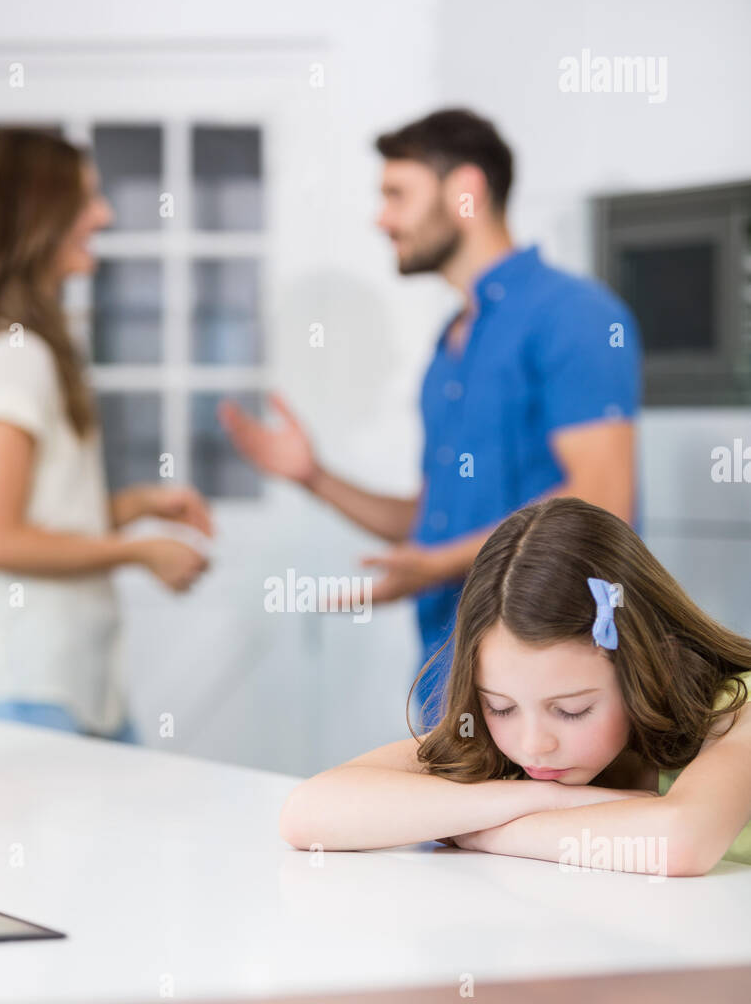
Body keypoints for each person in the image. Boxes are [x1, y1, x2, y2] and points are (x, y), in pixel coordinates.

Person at [218, 108, 641, 723]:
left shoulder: (573, 315)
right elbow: (437, 522)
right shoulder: (451, 343)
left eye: (396, 194)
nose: (381, 217)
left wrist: (432, 567)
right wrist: (315, 477)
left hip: (552, 694)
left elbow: (602, 500)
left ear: (464, 191)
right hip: (450, 677)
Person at [0, 127, 213, 742]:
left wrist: (134, 507)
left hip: (57, 683)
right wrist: (139, 549)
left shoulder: (12, 348)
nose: (102, 214)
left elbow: (34, 516)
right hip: (24, 684)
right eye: (85, 200)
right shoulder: (12, 356)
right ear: (36, 219)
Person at [278, 498, 751, 876]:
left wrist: (482, 830)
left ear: (651, 663)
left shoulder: (737, 710)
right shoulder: (509, 755)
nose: (532, 745)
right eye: (500, 707)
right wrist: (543, 799)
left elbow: (680, 843)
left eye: (571, 710)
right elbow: (308, 814)